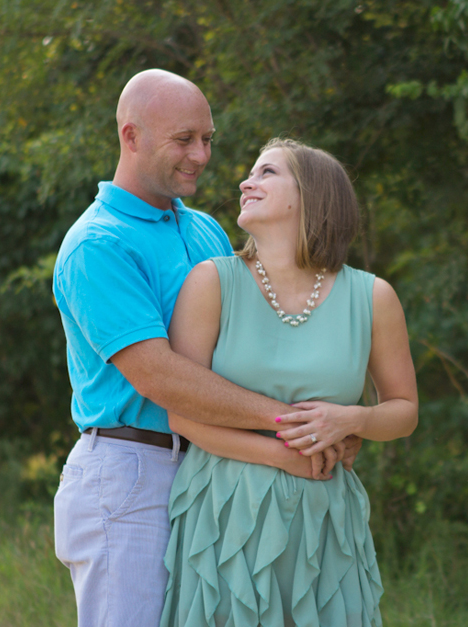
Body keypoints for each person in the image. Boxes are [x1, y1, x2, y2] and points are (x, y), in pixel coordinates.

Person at [52, 70, 358, 627]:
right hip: (132, 473)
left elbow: (261, 342)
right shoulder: (98, 245)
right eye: (184, 139)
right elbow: (160, 377)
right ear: (131, 136)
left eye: (208, 139)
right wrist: (295, 426)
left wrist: (339, 420)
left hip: (214, 472)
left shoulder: (206, 231)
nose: (201, 155)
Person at [159, 138, 418, 627]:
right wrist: (285, 457)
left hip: (324, 518)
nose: (245, 182)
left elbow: (403, 410)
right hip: (224, 515)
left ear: (312, 195)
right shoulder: (212, 282)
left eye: (267, 173)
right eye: (251, 173)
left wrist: (353, 418)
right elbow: (182, 413)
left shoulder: (373, 297)